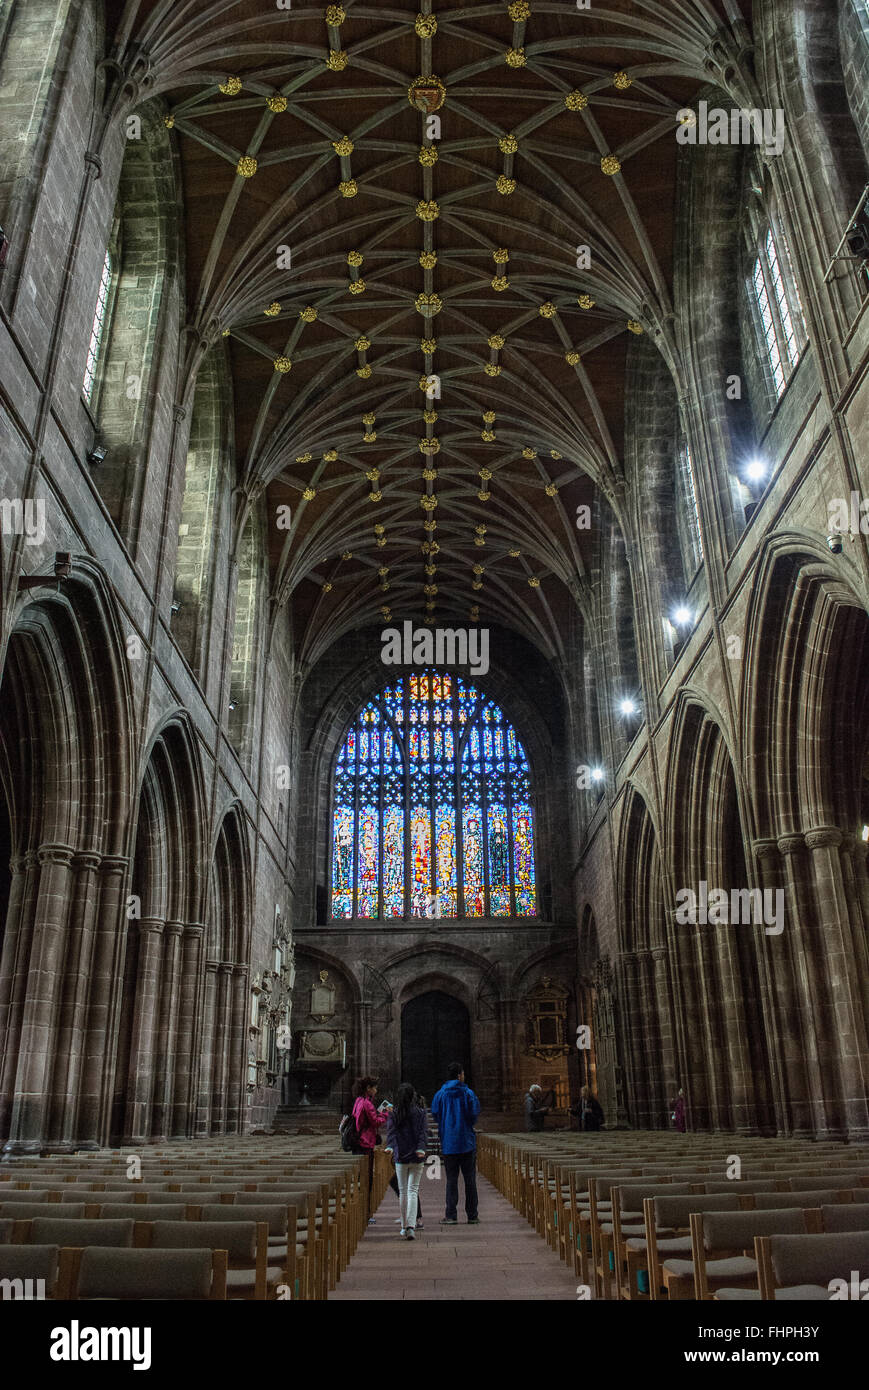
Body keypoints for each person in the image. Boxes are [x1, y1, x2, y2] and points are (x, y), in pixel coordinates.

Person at [431, 1062, 481, 1226]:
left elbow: (436, 1114)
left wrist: (447, 1125)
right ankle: (472, 1215)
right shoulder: (468, 1093)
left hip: (449, 1143)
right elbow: (474, 1114)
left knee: (451, 1180)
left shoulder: (440, 1094)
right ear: (459, 1075)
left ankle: (451, 1215)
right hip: (466, 1142)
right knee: (470, 1180)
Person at [384, 1082, 427, 1240]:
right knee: (412, 1191)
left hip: (401, 1156)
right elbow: (423, 1133)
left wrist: (390, 1147)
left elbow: (391, 1133)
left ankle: (404, 1226)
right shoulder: (420, 1112)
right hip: (417, 1156)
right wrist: (421, 1148)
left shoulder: (394, 1113)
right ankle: (410, 1226)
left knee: (403, 1191)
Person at [351, 1075, 390, 1223]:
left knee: (362, 1178)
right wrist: (386, 1114)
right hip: (365, 1143)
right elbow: (375, 1122)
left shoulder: (358, 1101)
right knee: (367, 1180)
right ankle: (365, 1214)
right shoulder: (367, 1104)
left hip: (360, 1142)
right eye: (374, 1087)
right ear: (368, 1088)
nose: (376, 1090)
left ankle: (362, 1213)